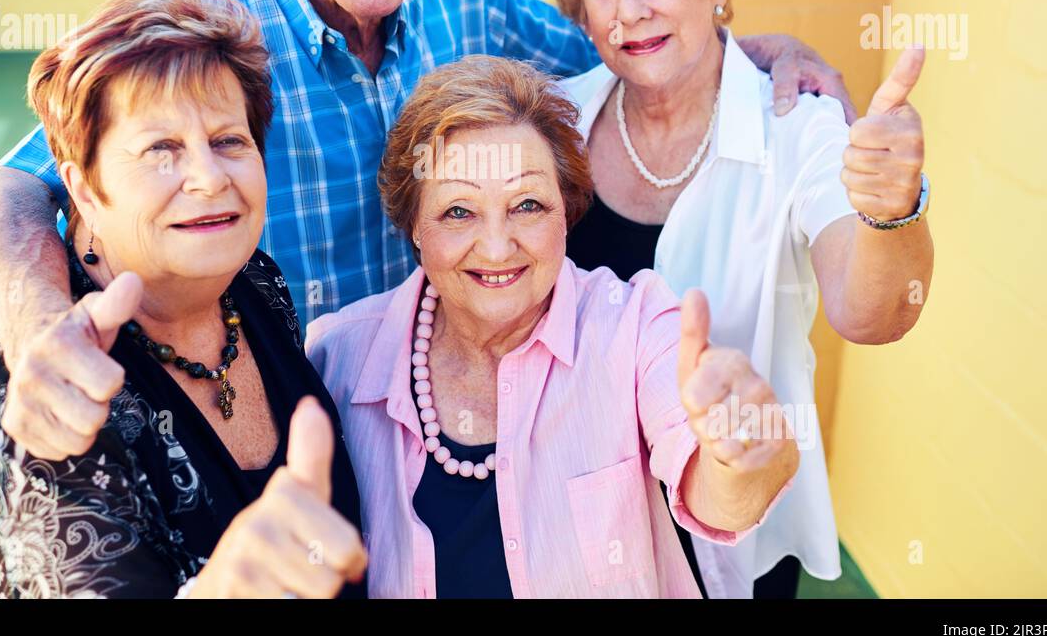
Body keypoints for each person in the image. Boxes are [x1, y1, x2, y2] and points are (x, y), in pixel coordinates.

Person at [0, 0, 854, 464]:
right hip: (285, 424)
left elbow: (628, 57)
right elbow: (10, 193)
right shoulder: (207, 30)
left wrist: (746, 51)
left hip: (451, 420)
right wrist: (38, 331)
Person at [552, 0, 935, 598]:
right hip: (581, 524)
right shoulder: (556, 121)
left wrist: (892, 212)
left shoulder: (799, 128)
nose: (629, 10)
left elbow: (872, 313)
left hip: (736, 524)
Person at [305, 56, 799, 597]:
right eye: (458, 212)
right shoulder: (338, 357)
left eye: (527, 204)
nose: (497, 247)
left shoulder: (634, 326)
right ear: (414, 225)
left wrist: (741, 456)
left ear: (566, 209)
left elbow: (718, 492)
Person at [0, 0, 367, 598]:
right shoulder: (34, 392)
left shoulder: (254, 287)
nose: (209, 177)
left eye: (228, 141)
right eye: (161, 149)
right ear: (83, 189)